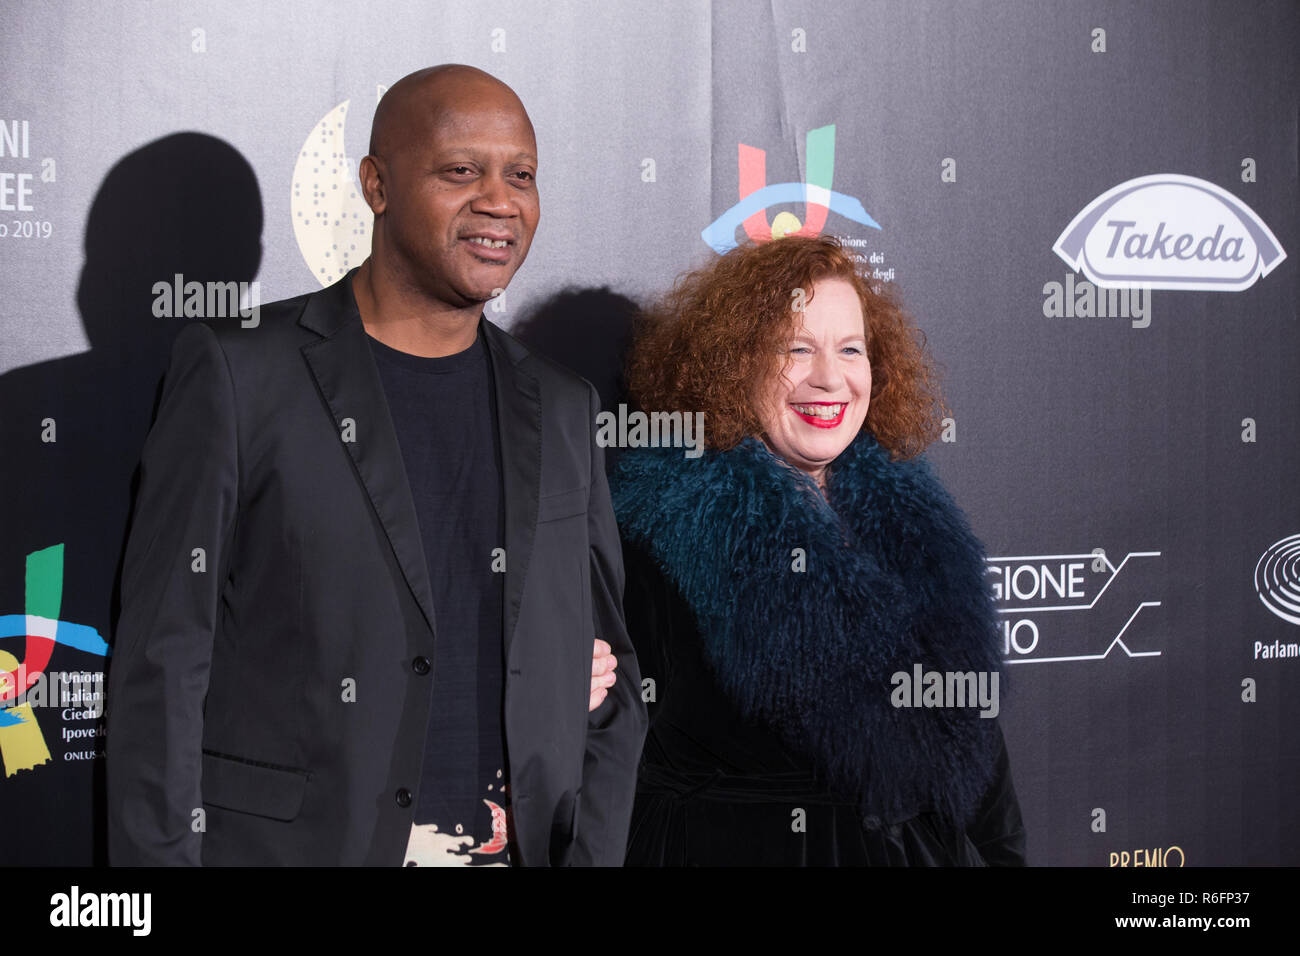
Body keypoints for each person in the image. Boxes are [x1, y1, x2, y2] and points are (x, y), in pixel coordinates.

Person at [105, 65, 647, 866]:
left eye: (522, 175)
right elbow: (164, 662)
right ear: (376, 185)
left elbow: (609, 675)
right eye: (461, 171)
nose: (500, 201)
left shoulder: (563, 406)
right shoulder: (239, 375)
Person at [611, 235, 1025, 866]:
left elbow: (981, 765)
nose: (830, 378)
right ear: (734, 364)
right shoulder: (664, 530)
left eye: (850, 349)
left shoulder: (922, 524)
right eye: (795, 349)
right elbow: (611, 752)